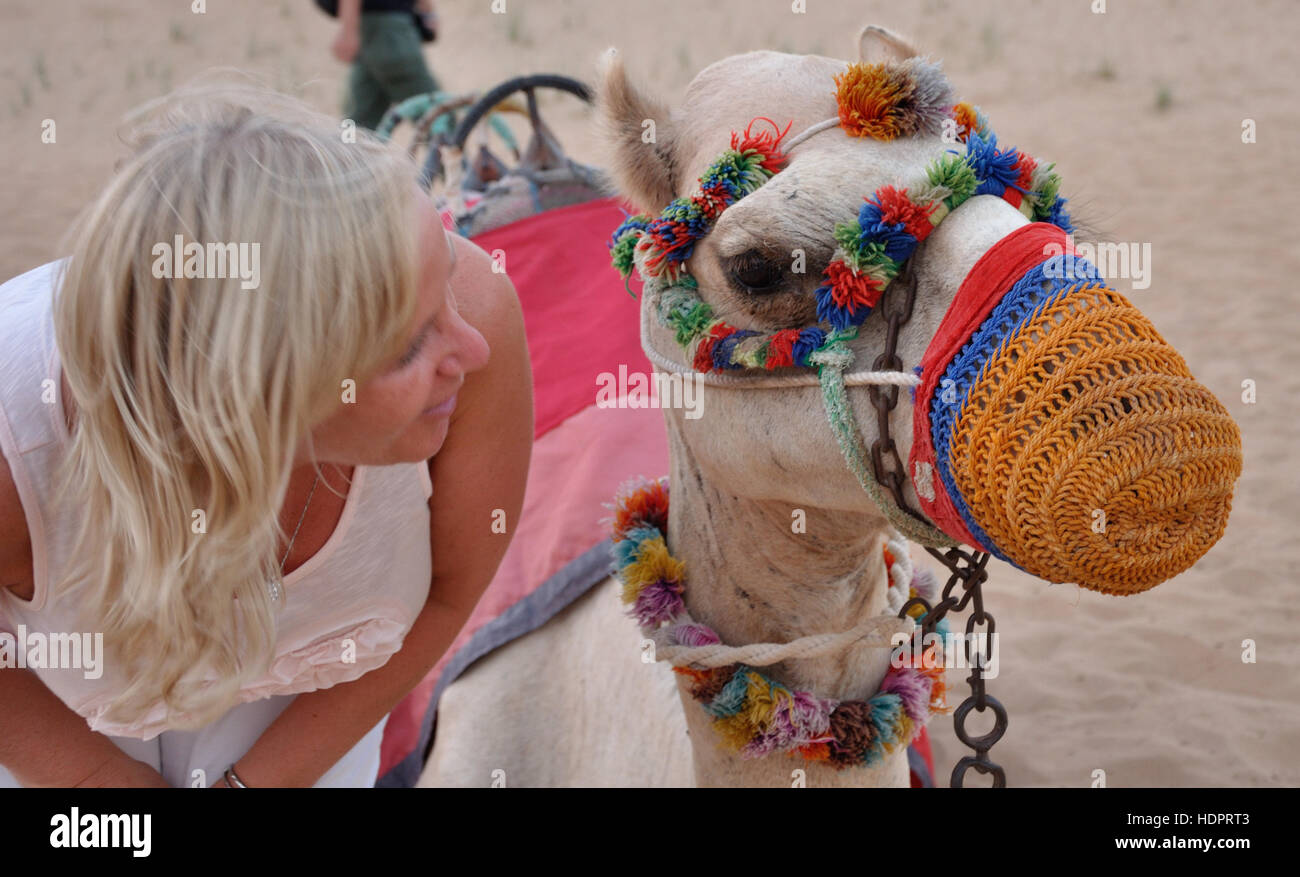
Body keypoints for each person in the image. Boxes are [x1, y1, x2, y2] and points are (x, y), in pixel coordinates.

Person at [0, 79, 533, 787]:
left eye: (447, 289)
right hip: (50, 724)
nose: (472, 350)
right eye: (406, 349)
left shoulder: (474, 307)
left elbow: (448, 591)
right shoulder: (17, 439)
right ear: (249, 400)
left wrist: (249, 786)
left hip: (316, 710)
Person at [333, 0, 441, 131]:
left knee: (360, 118)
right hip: (389, 31)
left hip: (373, 27)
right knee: (438, 114)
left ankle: (348, 147)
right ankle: (449, 146)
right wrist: (348, 31)